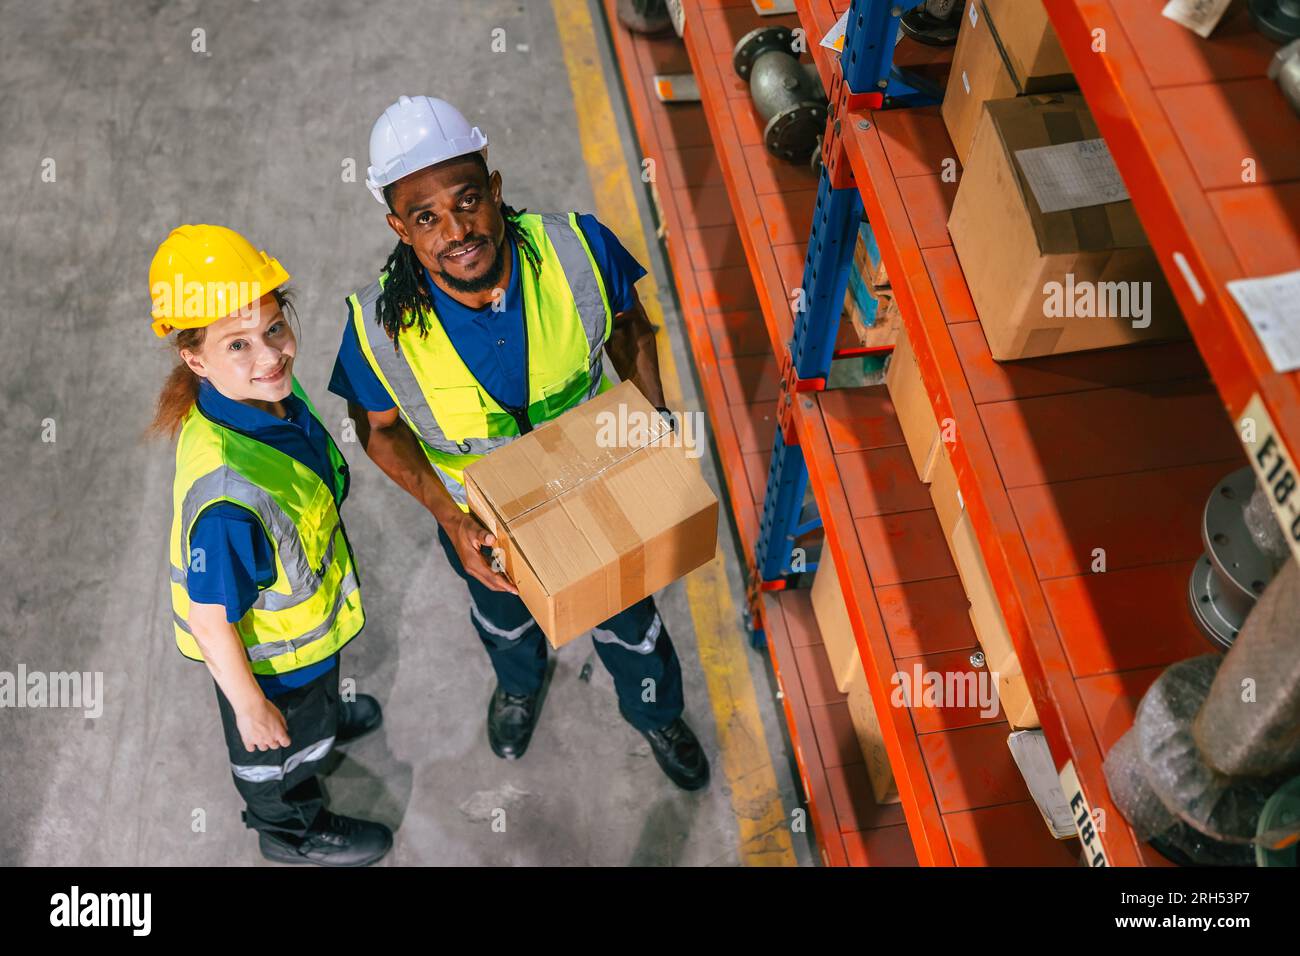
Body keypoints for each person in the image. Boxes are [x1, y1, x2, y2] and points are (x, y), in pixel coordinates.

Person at [330, 96, 710, 790]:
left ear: (494, 188)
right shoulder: (377, 329)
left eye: (468, 199)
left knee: (631, 623)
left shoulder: (578, 248)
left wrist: (650, 418)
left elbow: (632, 327)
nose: (457, 230)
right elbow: (377, 434)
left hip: (592, 486)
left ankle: (656, 713)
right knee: (504, 619)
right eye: (426, 217)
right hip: (483, 521)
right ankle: (518, 686)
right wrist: (450, 518)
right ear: (399, 227)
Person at [149, 224, 393, 865]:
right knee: (276, 756)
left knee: (316, 719)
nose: (270, 355)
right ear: (195, 359)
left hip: (307, 644)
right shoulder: (227, 502)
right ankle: (292, 834)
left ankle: (323, 731)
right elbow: (209, 620)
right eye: (238, 344)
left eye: (274, 329)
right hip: (273, 667)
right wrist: (252, 707)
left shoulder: (261, 396)